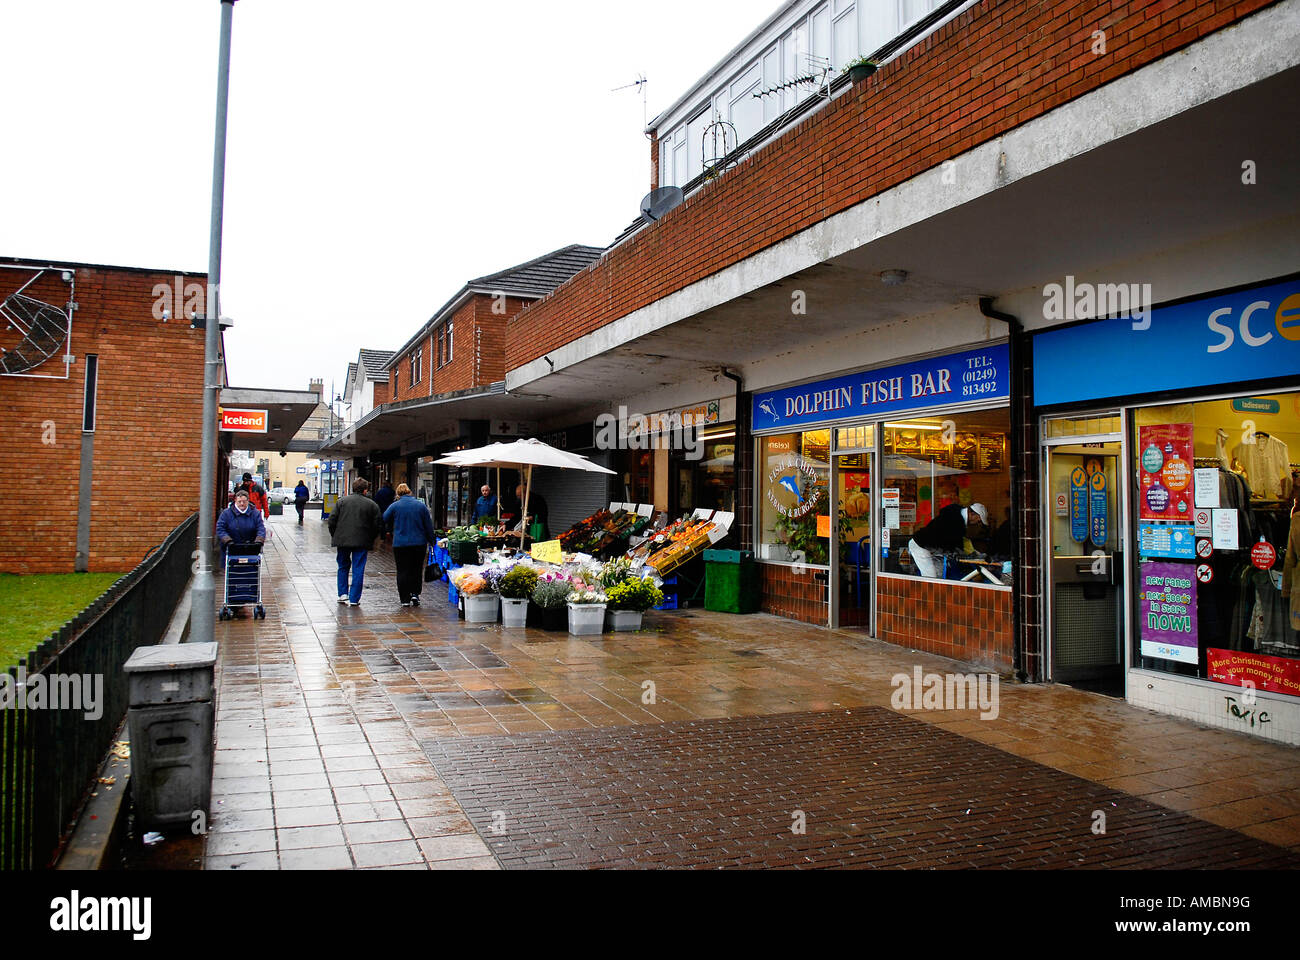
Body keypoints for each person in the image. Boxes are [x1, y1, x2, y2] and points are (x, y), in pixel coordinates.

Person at [329, 478, 383, 606]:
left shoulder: (341, 502)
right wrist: (371, 538)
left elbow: (332, 520)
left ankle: (343, 594)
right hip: (362, 541)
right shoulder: (371, 504)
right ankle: (354, 598)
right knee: (358, 568)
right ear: (365, 490)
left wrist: (335, 535)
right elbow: (377, 525)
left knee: (342, 566)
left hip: (343, 540)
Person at [384, 482, 437, 606]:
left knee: (402, 570)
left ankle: (404, 599)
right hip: (419, 544)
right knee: (416, 569)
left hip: (400, 544)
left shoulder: (394, 506)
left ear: (398, 493)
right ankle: (415, 594)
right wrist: (432, 541)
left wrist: (391, 529)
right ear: (409, 492)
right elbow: (428, 525)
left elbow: (384, 518)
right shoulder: (421, 506)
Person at [908, 502, 988, 579]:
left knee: (937, 576)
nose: (978, 523)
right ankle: (928, 592)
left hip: (929, 547)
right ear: (972, 514)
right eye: (979, 520)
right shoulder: (956, 522)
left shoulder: (955, 515)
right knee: (931, 578)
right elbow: (952, 543)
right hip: (920, 545)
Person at [215, 487, 266, 567]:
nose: (242, 504)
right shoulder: (226, 514)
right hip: (232, 548)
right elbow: (220, 528)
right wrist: (227, 540)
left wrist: (259, 541)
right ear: (235, 501)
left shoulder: (255, 513)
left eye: (244, 502)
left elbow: (261, 528)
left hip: (250, 549)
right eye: (239, 502)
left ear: (248, 501)